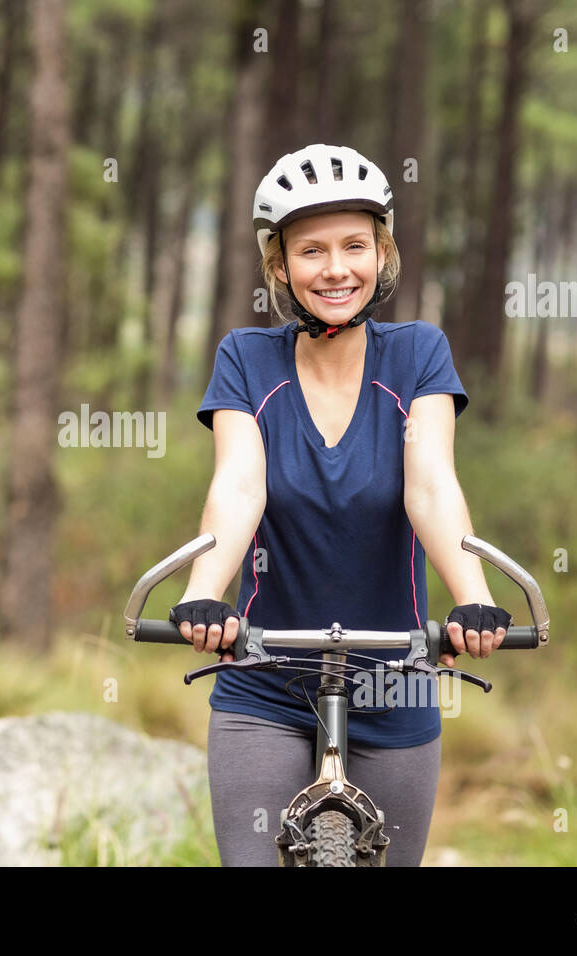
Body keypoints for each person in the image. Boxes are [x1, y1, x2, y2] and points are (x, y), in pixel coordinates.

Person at [170, 143, 512, 867]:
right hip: (263, 678)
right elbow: (238, 485)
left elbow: (430, 484)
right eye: (311, 250)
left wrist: (473, 599)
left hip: (397, 680)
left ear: (382, 252)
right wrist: (204, 597)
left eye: (355, 245)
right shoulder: (246, 358)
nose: (335, 268)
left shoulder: (418, 353)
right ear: (280, 267)